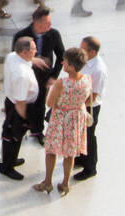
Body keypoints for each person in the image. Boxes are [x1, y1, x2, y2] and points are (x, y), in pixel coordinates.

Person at [33, 48, 92, 195]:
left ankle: (47, 182)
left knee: (51, 150)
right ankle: (65, 183)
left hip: (60, 118)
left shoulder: (61, 83)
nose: (62, 62)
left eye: (65, 61)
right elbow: (88, 99)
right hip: (76, 118)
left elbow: (50, 102)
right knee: (70, 153)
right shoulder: (87, 79)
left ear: (71, 66)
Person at [12, 6, 65, 143]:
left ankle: (37, 131)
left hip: (43, 79)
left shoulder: (53, 34)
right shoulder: (21, 36)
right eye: (46, 22)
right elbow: (14, 58)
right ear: (36, 22)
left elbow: (61, 56)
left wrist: (54, 75)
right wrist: (32, 60)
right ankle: (20, 129)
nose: (50, 25)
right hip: (25, 78)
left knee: (40, 104)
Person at [0, 37, 39, 180]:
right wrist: (24, 120)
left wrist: (35, 61)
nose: (36, 51)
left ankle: (11, 160)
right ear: (24, 52)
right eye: (33, 49)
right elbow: (20, 102)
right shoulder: (21, 75)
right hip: (18, 108)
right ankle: (6, 167)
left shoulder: (12, 56)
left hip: (11, 102)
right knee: (13, 136)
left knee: (12, 135)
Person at [75, 35, 107, 181]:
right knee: (80, 134)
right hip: (80, 103)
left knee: (88, 135)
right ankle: (81, 158)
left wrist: (78, 106)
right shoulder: (85, 61)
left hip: (89, 107)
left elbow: (95, 95)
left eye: (83, 48)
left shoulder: (98, 69)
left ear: (92, 52)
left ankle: (90, 167)